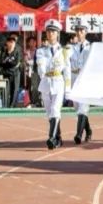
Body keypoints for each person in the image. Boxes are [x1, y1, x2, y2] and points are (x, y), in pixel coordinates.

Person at [35, 19, 71, 149]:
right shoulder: (40, 51)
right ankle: (58, 138)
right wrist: (42, 70)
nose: (50, 34)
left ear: (57, 34)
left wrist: (68, 89)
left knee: (56, 110)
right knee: (49, 112)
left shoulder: (64, 51)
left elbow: (67, 71)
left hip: (58, 82)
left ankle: (51, 137)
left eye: (53, 32)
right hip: (46, 83)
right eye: (49, 31)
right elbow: (41, 65)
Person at [70, 22, 93, 144]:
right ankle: (88, 130)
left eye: (81, 30)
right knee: (78, 108)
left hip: (85, 79)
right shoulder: (71, 47)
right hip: (74, 78)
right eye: (77, 30)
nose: (79, 33)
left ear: (86, 32)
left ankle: (78, 135)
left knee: (83, 108)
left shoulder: (91, 47)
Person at [0, 35, 21, 107]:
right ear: (7, 43)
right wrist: (9, 64)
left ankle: (12, 106)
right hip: (6, 74)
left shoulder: (17, 51)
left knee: (14, 90)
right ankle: (5, 106)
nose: (12, 44)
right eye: (10, 42)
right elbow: (1, 63)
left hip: (15, 74)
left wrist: (7, 64)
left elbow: (16, 63)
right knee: (6, 90)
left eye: (13, 42)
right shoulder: (4, 51)